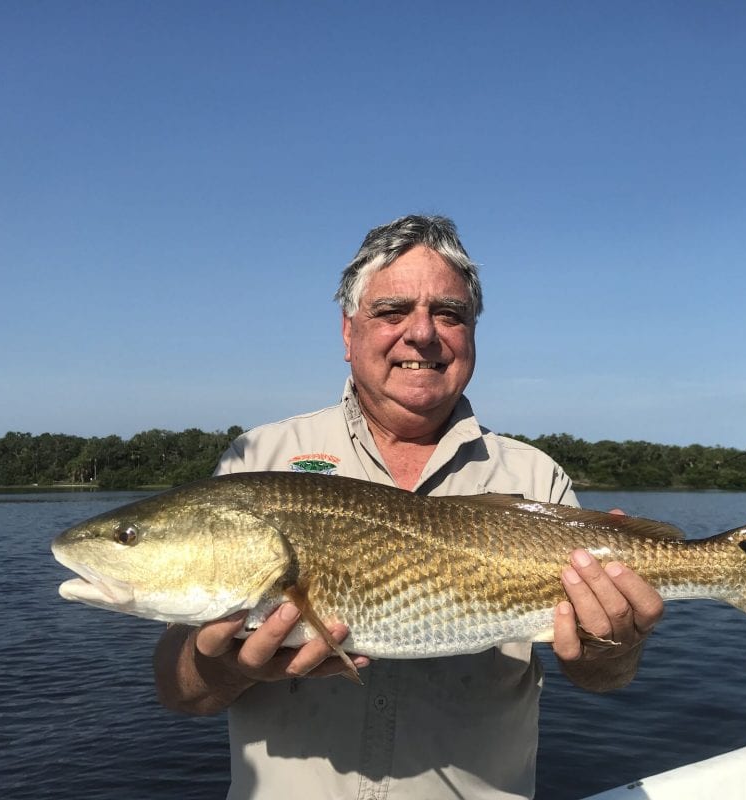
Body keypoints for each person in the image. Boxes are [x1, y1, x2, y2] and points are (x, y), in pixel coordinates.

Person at [153, 214, 664, 799]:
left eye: (448, 314)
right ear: (348, 335)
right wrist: (227, 665)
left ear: (473, 335)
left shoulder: (534, 476)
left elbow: (601, 674)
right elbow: (181, 691)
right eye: (392, 311)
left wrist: (617, 642)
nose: (421, 333)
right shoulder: (260, 462)